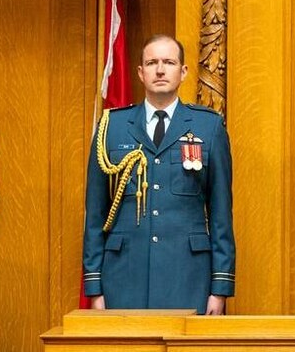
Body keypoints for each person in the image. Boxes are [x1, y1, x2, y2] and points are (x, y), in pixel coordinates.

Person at [82, 34, 235, 314]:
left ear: (183, 72)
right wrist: (94, 287)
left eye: (169, 62)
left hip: (189, 277)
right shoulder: (111, 127)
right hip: (123, 278)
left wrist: (219, 288)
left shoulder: (209, 127)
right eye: (152, 63)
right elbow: (95, 214)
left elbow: (221, 215)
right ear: (141, 72)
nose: (160, 70)